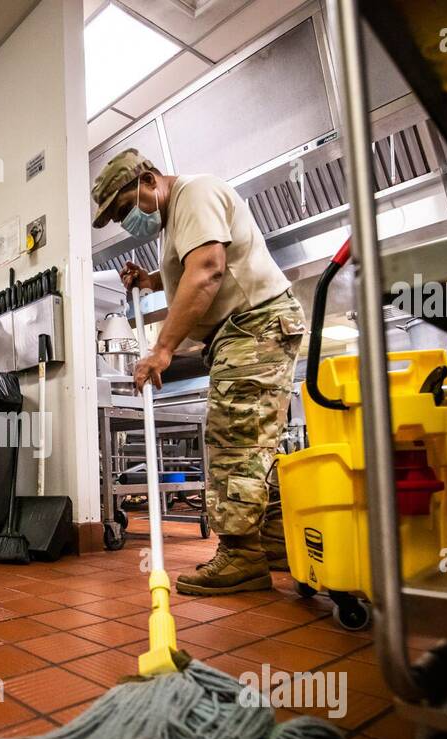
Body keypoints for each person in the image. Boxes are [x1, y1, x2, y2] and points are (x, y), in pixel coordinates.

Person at [91, 149, 304, 595]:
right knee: (254, 441)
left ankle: (242, 557)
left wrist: (162, 350)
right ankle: (275, 541)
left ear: (150, 180)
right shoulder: (176, 218)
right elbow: (192, 274)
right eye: (119, 217)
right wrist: (152, 279)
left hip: (255, 326)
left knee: (234, 439)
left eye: (127, 207)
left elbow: (206, 272)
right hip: (247, 330)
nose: (128, 220)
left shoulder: (195, 192)